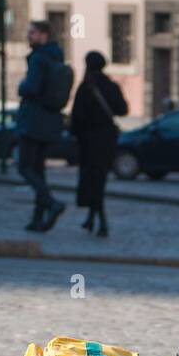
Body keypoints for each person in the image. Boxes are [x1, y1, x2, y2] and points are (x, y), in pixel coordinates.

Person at [70, 51, 128, 238]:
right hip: (107, 140)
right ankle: (91, 219)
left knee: (92, 183)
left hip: (89, 141)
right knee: (99, 181)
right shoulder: (111, 86)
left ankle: (102, 222)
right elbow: (122, 109)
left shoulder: (86, 88)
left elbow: (76, 118)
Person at [17, 20, 67, 232]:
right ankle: (38, 218)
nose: (29, 36)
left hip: (34, 120)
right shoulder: (56, 56)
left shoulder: (38, 58)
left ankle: (51, 203)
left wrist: (22, 86)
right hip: (49, 121)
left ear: (44, 34)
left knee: (25, 167)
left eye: (33, 33)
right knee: (38, 169)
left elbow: (31, 87)